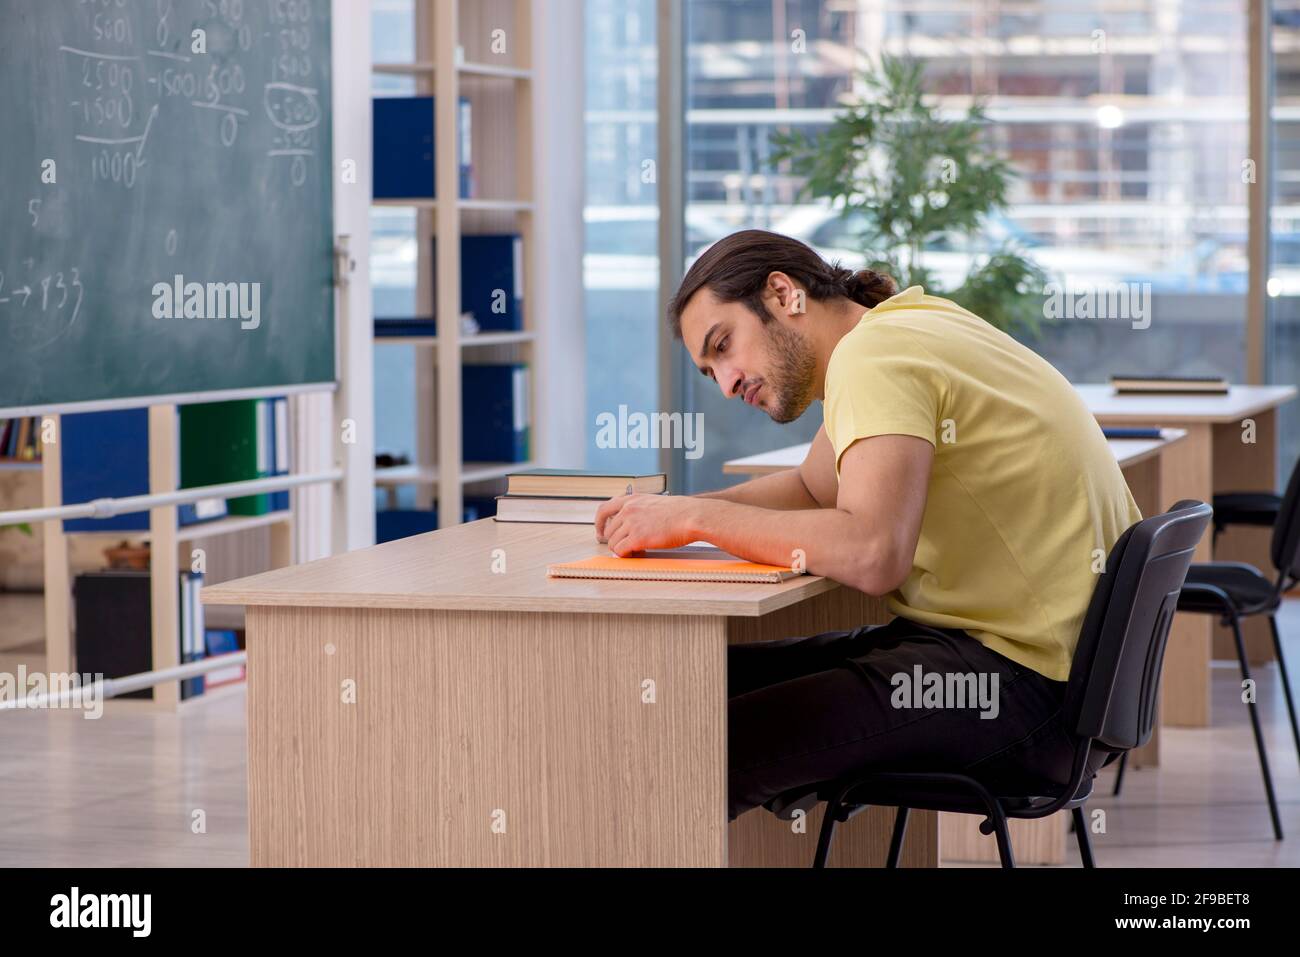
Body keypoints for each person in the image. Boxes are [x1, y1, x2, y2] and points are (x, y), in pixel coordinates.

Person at [594, 229, 1142, 820]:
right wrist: (672, 520)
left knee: (696, 746)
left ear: (783, 294)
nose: (727, 383)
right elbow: (811, 488)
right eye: (710, 372)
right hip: (1054, 680)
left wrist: (699, 515)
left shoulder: (873, 358)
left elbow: (874, 554)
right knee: (700, 681)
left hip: (1026, 690)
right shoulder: (906, 326)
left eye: (724, 346)